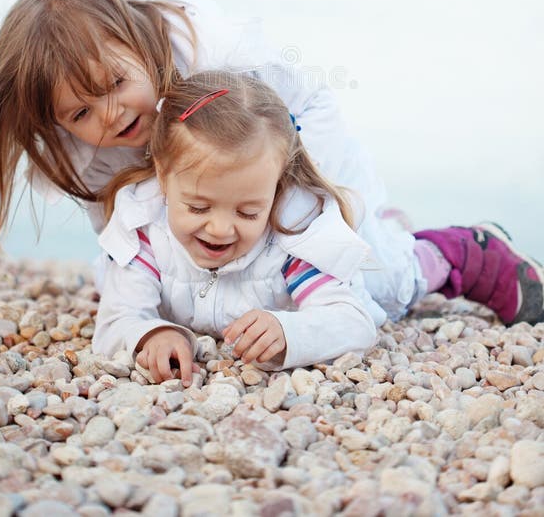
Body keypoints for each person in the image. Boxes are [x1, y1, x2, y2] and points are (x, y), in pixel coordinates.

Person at [0, 0, 543, 336]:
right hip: (219, 198)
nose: (108, 116)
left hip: (300, 158)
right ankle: (386, 228)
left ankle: (460, 253)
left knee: (376, 285)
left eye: (115, 84)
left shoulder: (217, 58)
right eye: (79, 114)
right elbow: (122, 221)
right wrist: (134, 293)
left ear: (136, 40)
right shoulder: (86, 143)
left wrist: (310, 207)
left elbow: (312, 110)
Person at [93, 71, 544, 383]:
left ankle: (461, 251)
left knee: (397, 285)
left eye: (248, 212)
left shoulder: (289, 238)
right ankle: (389, 229)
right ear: (163, 178)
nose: (220, 228)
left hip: (383, 272)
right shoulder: (145, 232)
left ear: (275, 190)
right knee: (383, 253)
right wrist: (151, 334)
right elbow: (118, 317)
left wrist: (291, 332)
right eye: (197, 206)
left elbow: (355, 319)